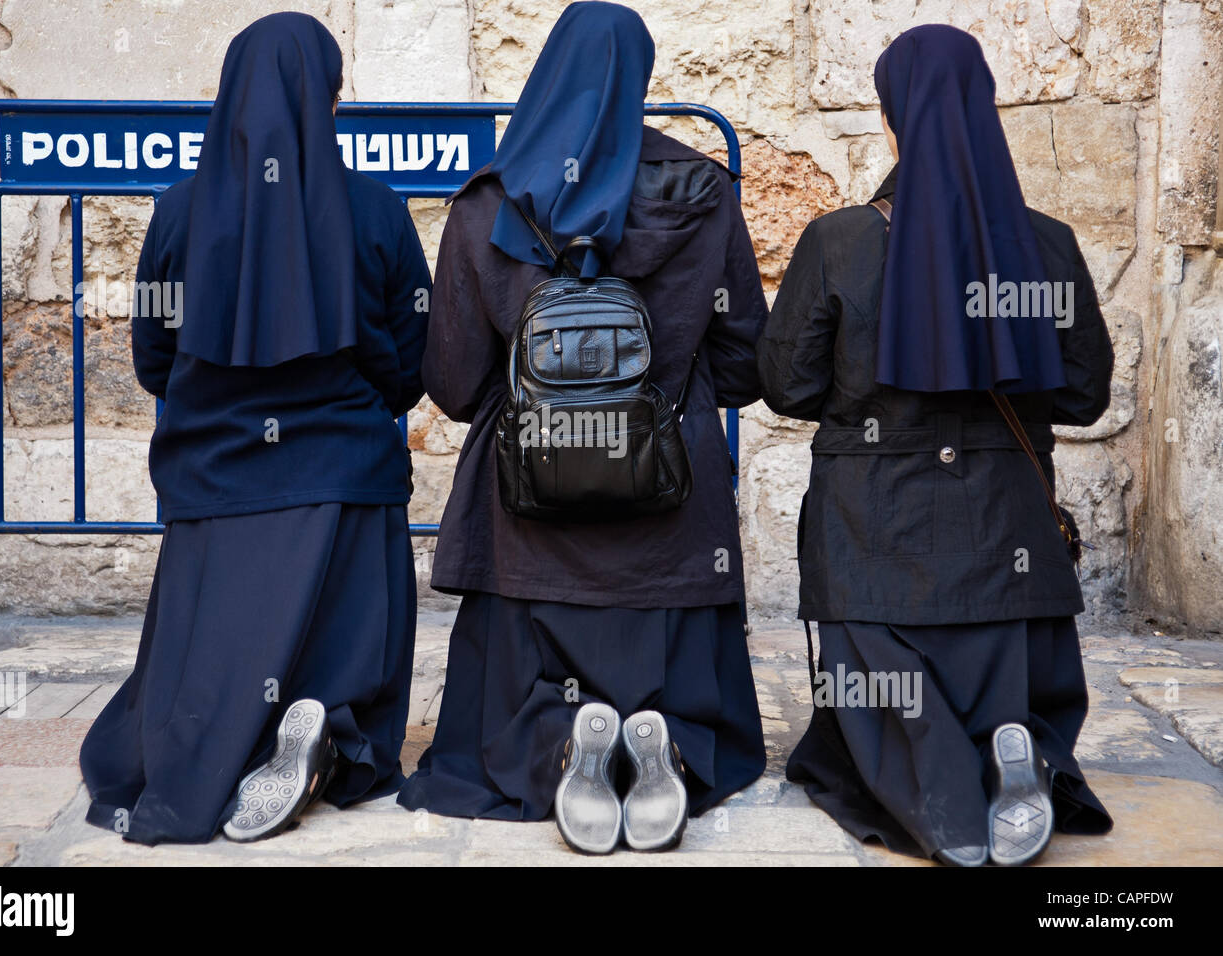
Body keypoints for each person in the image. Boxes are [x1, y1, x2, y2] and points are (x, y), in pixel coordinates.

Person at [396, 1, 768, 854]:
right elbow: (746, 358)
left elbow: (451, 384)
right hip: (668, 512)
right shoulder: (705, 192)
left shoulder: (489, 202)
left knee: (505, 703)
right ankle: (665, 738)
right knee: (678, 663)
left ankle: (558, 740)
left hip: (527, 517)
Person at [757, 24, 1115, 866]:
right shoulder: (1048, 244)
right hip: (1007, 548)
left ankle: (945, 796)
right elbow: (1083, 395)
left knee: (879, 710)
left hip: (873, 545)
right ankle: (1013, 744)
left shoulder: (840, 240)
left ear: (891, 119)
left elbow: (788, 387)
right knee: (1007, 672)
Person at [79, 12, 431, 845]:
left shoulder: (176, 212)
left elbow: (153, 357)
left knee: (186, 697)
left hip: (216, 478)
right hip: (345, 476)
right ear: (330, 102)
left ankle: (244, 736)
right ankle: (330, 721)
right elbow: (410, 365)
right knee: (354, 602)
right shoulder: (377, 210)